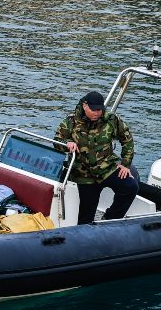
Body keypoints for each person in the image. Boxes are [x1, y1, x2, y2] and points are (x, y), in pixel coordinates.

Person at [54, 91, 138, 225]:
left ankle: (109, 219)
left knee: (130, 187)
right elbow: (57, 141)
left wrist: (125, 164)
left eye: (99, 110)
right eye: (93, 110)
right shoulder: (70, 121)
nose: (97, 113)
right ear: (85, 106)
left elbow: (127, 139)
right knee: (86, 218)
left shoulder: (111, 120)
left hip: (107, 168)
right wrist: (67, 144)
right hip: (84, 175)